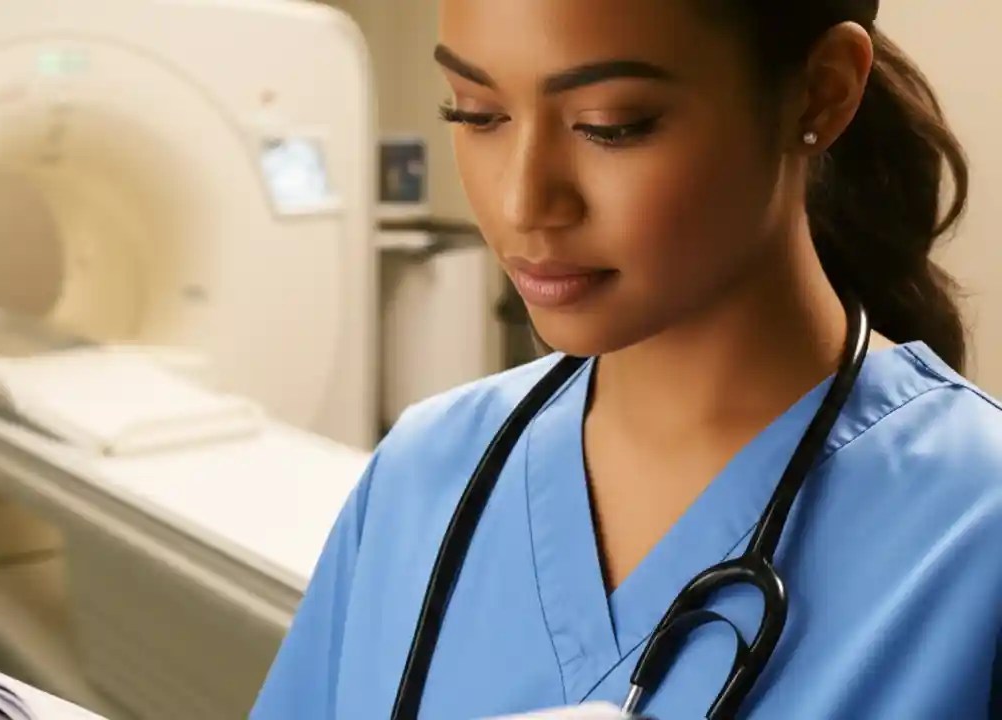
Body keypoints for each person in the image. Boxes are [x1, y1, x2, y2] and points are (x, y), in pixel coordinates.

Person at [251, 1, 1002, 717]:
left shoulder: (974, 527)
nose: (522, 202)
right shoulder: (424, 475)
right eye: (476, 113)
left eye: (611, 126)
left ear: (819, 94)